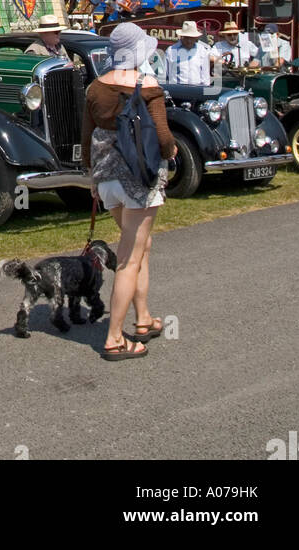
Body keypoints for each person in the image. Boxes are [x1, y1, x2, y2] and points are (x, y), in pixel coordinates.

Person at [81, 22, 177, 360]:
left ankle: (143, 318)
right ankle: (114, 339)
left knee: (141, 247)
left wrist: (93, 179)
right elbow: (163, 138)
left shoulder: (95, 88)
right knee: (129, 258)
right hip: (139, 180)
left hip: (106, 178)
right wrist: (172, 151)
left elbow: (85, 141)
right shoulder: (147, 86)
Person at [163, 21, 213, 86]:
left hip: (196, 90)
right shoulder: (171, 51)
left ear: (196, 37)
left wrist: (205, 93)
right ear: (181, 36)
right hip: (176, 90)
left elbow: (205, 77)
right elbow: (163, 75)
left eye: (191, 38)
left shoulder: (202, 51)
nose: (189, 41)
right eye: (186, 37)